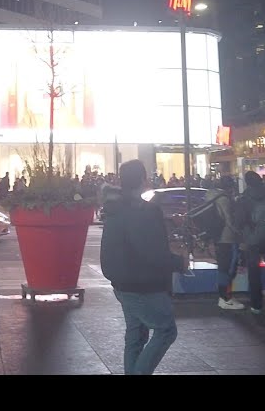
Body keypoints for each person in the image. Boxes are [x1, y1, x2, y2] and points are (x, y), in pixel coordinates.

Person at [100, 160, 184, 375]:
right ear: (144, 179)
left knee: (136, 336)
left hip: (121, 281)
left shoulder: (115, 207)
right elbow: (151, 250)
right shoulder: (143, 210)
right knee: (166, 330)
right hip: (144, 284)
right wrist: (177, 262)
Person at [236, 170, 265, 315]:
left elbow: (240, 221)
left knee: (254, 271)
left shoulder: (244, 199)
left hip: (252, 239)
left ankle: (257, 304)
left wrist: (244, 235)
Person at [204, 176, 243, 310]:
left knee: (223, 267)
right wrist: (240, 234)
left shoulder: (211, 196)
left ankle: (225, 296)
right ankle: (225, 298)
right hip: (228, 238)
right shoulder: (224, 199)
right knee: (228, 268)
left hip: (218, 237)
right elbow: (229, 221)